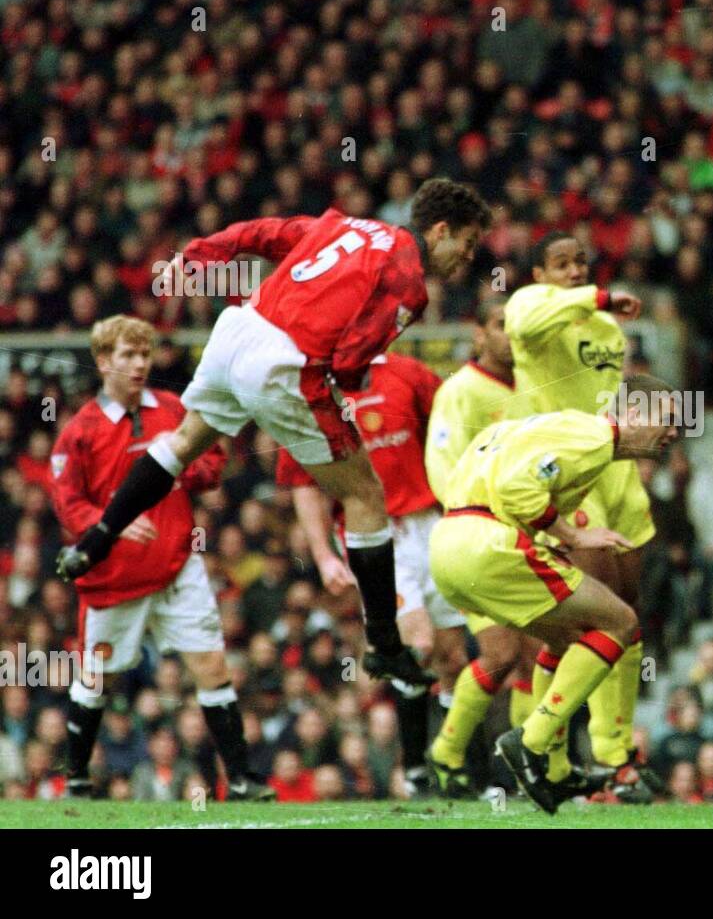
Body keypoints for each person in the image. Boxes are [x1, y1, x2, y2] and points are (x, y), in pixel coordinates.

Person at [56, 178, 490, 688]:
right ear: (440, 230)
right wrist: (340, 385)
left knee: (183, 442)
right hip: (283, 363)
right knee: (366, 494)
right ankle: (383, 645)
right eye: (468, 243)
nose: (468, 257)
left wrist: (199, 254)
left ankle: (95, 539)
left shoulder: (345, 225)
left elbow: (263, 233)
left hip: (239, 331)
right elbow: (352, 361)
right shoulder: (408, 281)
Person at [428, 375, 680, 813]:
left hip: (448, 544)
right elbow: (516, 489)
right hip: (488, 543)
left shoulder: (540, 428)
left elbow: (490, 474)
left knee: (566, 639)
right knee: (620, 622)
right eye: (669, 420)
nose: (674, 433)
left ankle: (557, 772)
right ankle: (532, 740)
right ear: (634, 413)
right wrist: (570, 535)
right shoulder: (592, 437)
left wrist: (550, 536)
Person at [51, 316, 271, 800]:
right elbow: (66, 503)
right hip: (114, 580)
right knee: (96, 681)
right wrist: (109, 521)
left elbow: (213, 463)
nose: (139, 364)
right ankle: (77, 779)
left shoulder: (174, 408)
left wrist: (180, 473)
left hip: (176, 567)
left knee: (212, 667)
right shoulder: (80, 431)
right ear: (104, 361)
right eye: (128, 355)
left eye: (145, 355)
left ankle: (240, 779)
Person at [423, 301, 607, 799]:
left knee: (537, 650)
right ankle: (453, 750)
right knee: (505, 651)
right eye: (499, 326)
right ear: (478, 334)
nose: (510, 336)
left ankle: (530, 764)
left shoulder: (531, 389)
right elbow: (442, 470)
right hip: (477, 535)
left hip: (520, 532)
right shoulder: (459, 391)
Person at [503, 232, 659, 801]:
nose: (573, 272)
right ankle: (561, 756)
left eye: (581, 264)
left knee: (628, 611)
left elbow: (610, 397)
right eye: (562, 265)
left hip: (614, 469)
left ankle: (614, 751)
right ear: (542, 272)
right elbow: (525, 326)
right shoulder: (527, 305)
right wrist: (594, 296)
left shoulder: (607, 328)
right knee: (594, 617)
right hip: (564, 470)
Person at [276, 351, 468, 799]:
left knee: (453, 658)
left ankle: (452, 762)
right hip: (375, 536)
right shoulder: (308, 391)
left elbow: (450, 428)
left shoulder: (406, 371)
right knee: (416, 644)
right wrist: (323, 557)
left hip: (431, 523)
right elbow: (303, 482)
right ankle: (418, 768)